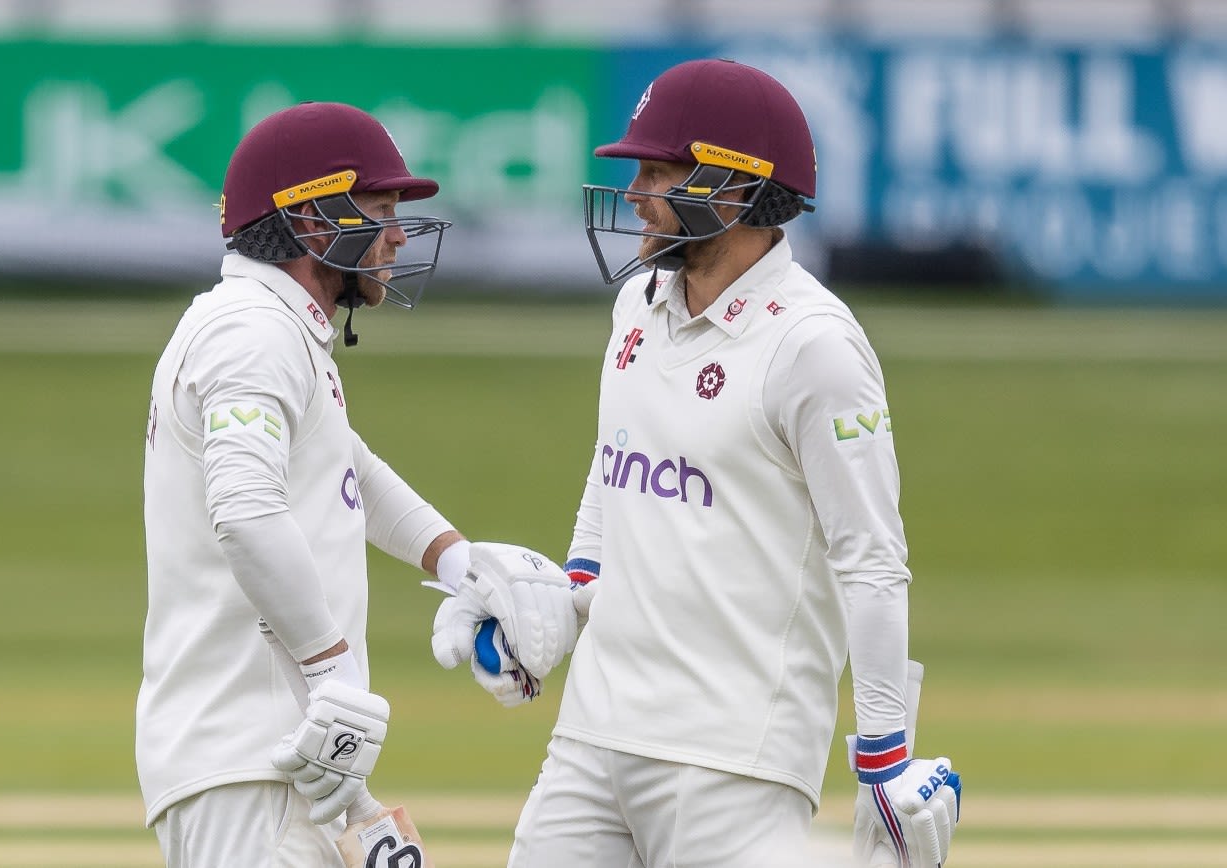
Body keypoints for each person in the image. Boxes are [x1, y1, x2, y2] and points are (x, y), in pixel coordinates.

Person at [480, 58, 961, 867]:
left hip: (733, 754)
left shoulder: (815, 348)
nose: (633, 191)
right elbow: (615, 465)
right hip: (596, 729)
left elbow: (872, 559)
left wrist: (883, 752)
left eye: (657, 171)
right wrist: (566, 601)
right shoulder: (637, 303)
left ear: (731, 190)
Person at [135, 101, 564, 868]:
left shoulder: (279, 329)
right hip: (252, 762)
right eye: (381, 208)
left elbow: (348, 467)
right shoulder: (251, 334)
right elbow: (244, 511)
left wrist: (462, 564)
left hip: (290, 757)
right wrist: (333, 672)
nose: (399, 233)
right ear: (311, 223)